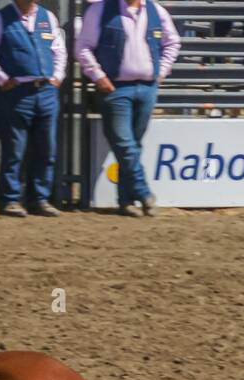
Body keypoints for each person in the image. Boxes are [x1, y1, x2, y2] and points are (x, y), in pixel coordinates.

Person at [75, 0, 181, 217]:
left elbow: (173, 42)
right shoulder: (100, 9)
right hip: (116, 87)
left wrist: (161, 71)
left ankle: (126, 201)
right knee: (125, 143)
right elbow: (83, 47)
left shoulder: (155, 10)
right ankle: (143, 193)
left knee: (131, 146)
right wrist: (98, 75)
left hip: (146, 86)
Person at [0, 0, 68, 217]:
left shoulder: (47, 18)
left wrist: (57, 77)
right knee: (14, 148)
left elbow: (59, 50)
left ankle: (39, 198)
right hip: (17, 91)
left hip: (45, 89)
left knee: (47, 148)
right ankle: (11, 199)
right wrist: (1, 78)